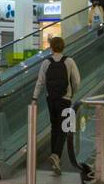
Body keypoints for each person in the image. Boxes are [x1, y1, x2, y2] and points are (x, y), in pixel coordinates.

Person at [31, 35, 80, 176]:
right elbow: (76, 80)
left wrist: (34, 97)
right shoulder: (69, 61)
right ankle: (56, 156)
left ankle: (55, 156)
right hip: (65, 99)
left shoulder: (46, 62)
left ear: (51, 47)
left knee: (54, 127)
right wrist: (72, 93)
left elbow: (40, 82)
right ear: (63, 47)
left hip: (50, 99)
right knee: (64, 128)